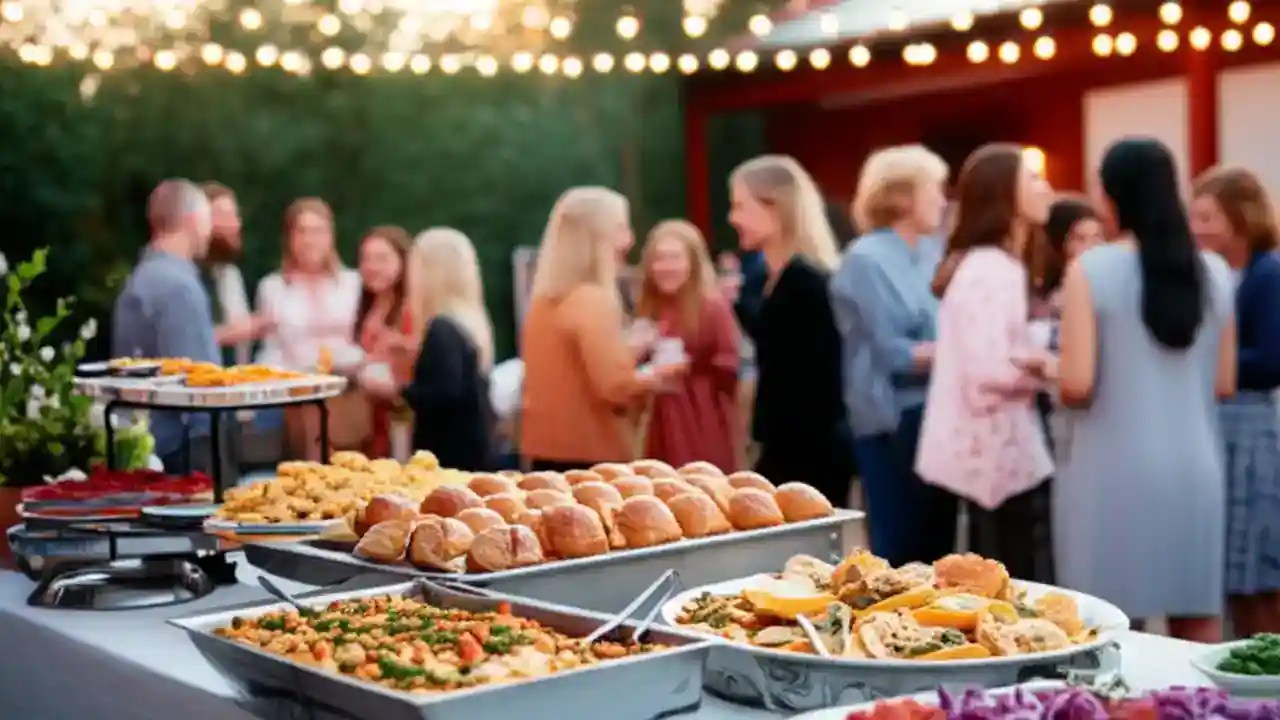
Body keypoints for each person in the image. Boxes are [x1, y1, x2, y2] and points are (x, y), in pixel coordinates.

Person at [1055, 138, 1235, 641]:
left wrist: (1047, 369)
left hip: (1111, 467)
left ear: (1113, 196)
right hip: (1196, 466)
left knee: (1107, 627)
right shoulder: (1215, 273)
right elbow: (1224, 384)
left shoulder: (1089, 270)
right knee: (1197, 625)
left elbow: (1076, 384)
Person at [916, 143, 1056, 583]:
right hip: (993, 456)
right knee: (1008, 581)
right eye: (1032, 178)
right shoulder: (993, 268)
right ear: (1005, 194)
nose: (1045, 187)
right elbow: (988, 369)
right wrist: (1050, 367)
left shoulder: (988, 264)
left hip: (991, 452)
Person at [830, 144, 953, 565]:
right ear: (901, 196)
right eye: (933, 188)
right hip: (892, 422)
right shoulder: (865, 259)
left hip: (941, 413)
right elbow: (892, 352)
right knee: (901, 549)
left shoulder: (936, 251)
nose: (942, 198)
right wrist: (960, 353)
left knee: (941, 548)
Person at [521, 187, 684, 470]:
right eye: (621, 228)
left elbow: (574, 370)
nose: (630, 240)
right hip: (591, 456)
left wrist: (628, 349)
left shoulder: (543, 302)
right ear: (596, 235)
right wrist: (660, 374)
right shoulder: (594, 299)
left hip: (546, 452)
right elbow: (614, 387)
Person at [729, 155, 852, 506]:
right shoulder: (774, 280)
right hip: (787, 450)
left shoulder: (808, 283)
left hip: (808, 458)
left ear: (776, 207)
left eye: (740, 206)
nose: (733, 218)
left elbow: (816, 384)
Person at [1191, 166, 1280, 636]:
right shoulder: (1216, 275)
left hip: (1249, 426)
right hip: (1216, 425)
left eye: (1207, 217)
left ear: (1240, 217)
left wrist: (1208, 360)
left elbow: (1270, 360)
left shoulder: (1268, 273)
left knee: (1257, 568)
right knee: (1229, 566)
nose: (1196, 228)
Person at [362, 228, 496, 470]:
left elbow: (440, 394)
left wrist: (396, 390)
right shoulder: (469, 320)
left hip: (451, 458)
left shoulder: (442, 327)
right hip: (474, 450)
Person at [112, 179, 219, 473]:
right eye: (208, 222)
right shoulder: (178, 287)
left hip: (143, 439)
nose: (209, 233)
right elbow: (200, 380)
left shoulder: (141, 278)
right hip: (178, 450)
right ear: (193, 221)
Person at [255, 197, 361, 460]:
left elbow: (364, 342)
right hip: (295, 391)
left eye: (317, 231)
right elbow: (271, 349)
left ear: (330, 237)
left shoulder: (353, 283)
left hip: (349, 385)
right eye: (301, 231)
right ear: (289, 238)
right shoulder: (273, 287)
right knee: (306, 403)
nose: (309, 240)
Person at [635, 220, 741, 472]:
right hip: (657, 418)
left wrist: (689, 366)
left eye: (674, 258)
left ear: (693, 263)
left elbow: (730, 366)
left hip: (698, 419)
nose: (665, 267)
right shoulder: (650, 306)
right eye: (659, 258)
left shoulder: (711, 306)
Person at [351, 226, 413, 457]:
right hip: (370, 421)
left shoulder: (410, 310)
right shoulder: (370, 305)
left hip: (399, 420)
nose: (372, 267)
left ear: (403, 262)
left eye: (382, 259)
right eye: (366, 259)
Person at [200, 182, 258, 366]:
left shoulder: (229, 274)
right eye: (225, 215)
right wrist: (229, 334)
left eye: (235, 215)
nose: (236, 223)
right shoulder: (185, 277)